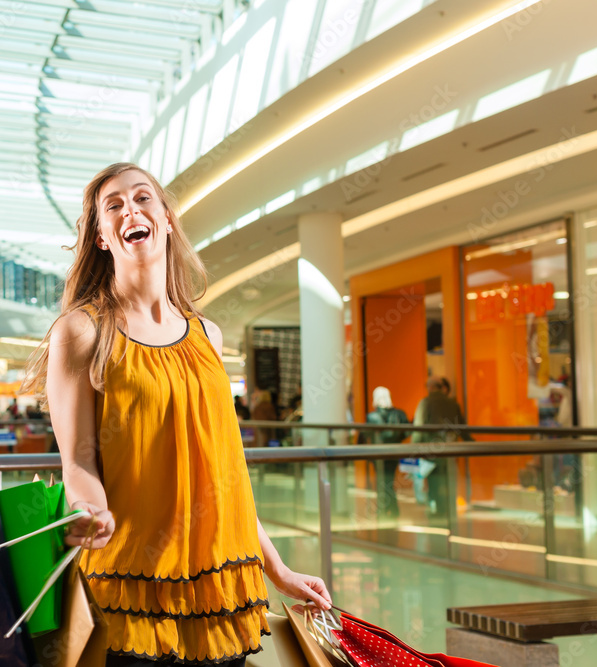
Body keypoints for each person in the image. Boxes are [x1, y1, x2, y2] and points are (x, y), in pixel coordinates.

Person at [22, 162, 330, 667]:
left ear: (165, 218)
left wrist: (278, 570)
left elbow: (226, 472)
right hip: (133, 587)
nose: (130, 210)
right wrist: (89, 510)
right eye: (113, 206)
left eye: (142, 198)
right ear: (101, 237)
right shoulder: (81, 333)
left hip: (221, 588)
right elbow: (77, 462)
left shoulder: (208, 336)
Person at [412, 376, 471, 525]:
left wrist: (413, 449)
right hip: (450, 452)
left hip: (432, 452)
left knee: (434, 484)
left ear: (430, 387)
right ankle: (449, 511)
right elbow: (461, 428)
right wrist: (471, 442)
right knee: (449, 482)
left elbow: (418, 429)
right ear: (441, 387)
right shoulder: (452, 403)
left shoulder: (425, 403)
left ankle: (438, 513)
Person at [364, 387, 410, 517]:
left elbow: (364, 435)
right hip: (394, 453)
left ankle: (386, 508)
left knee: (382, 481)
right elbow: (407, 432)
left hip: (378, 454)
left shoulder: (372, 417)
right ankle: (391, 507)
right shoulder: (400, 414)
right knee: (388, 480)